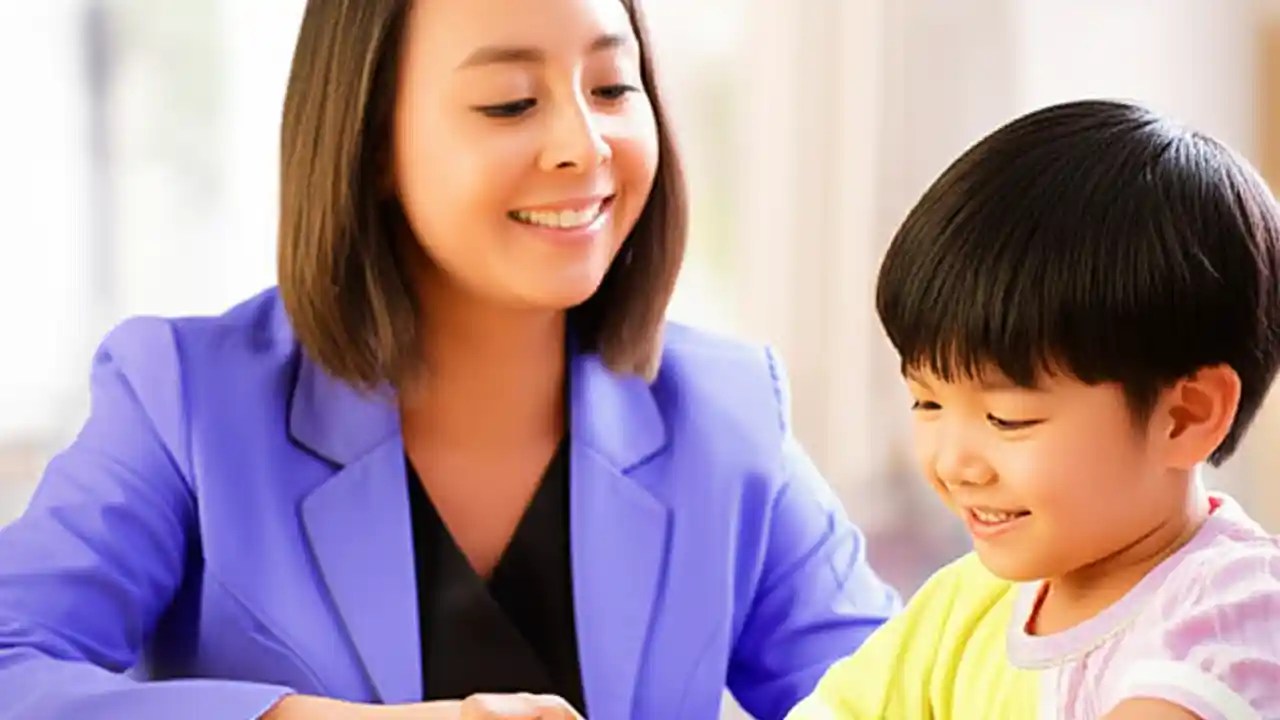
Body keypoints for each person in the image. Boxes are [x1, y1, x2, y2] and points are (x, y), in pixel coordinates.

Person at [0, 0, 900, 718]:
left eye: (613, 88)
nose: (583, 146)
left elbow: (910, 693)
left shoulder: (726, 412)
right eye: (510, 102)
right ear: (370, 140)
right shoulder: (186, 400)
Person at [787, 100, 1280, 719]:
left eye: (1007, 418)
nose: (955, 462)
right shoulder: (962, 605)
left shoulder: (1236, 610)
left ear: (1184, 417)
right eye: (928, 401)